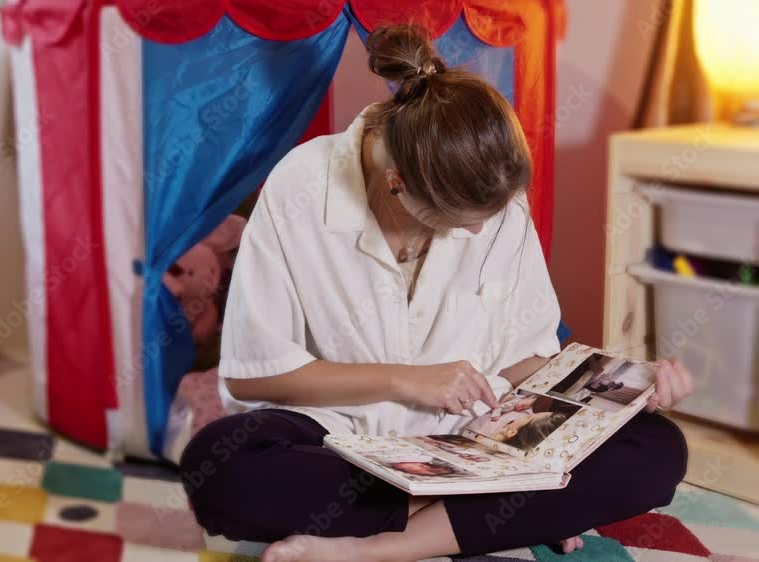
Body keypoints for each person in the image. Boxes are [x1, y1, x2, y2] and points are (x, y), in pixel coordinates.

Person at [180, 23, 694, 561]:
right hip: (338, 435)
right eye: (455, 221)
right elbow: (255, 372)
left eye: (490, 217)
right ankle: (503, 515)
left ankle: (377, 548)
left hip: (476, 440)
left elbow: (528, 360)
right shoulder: (302, 185)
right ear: (397, 181)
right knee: (220, 465)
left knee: (657, 448)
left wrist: (622, 388)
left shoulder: (493, 201)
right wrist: (406, 381)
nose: (477, 234)